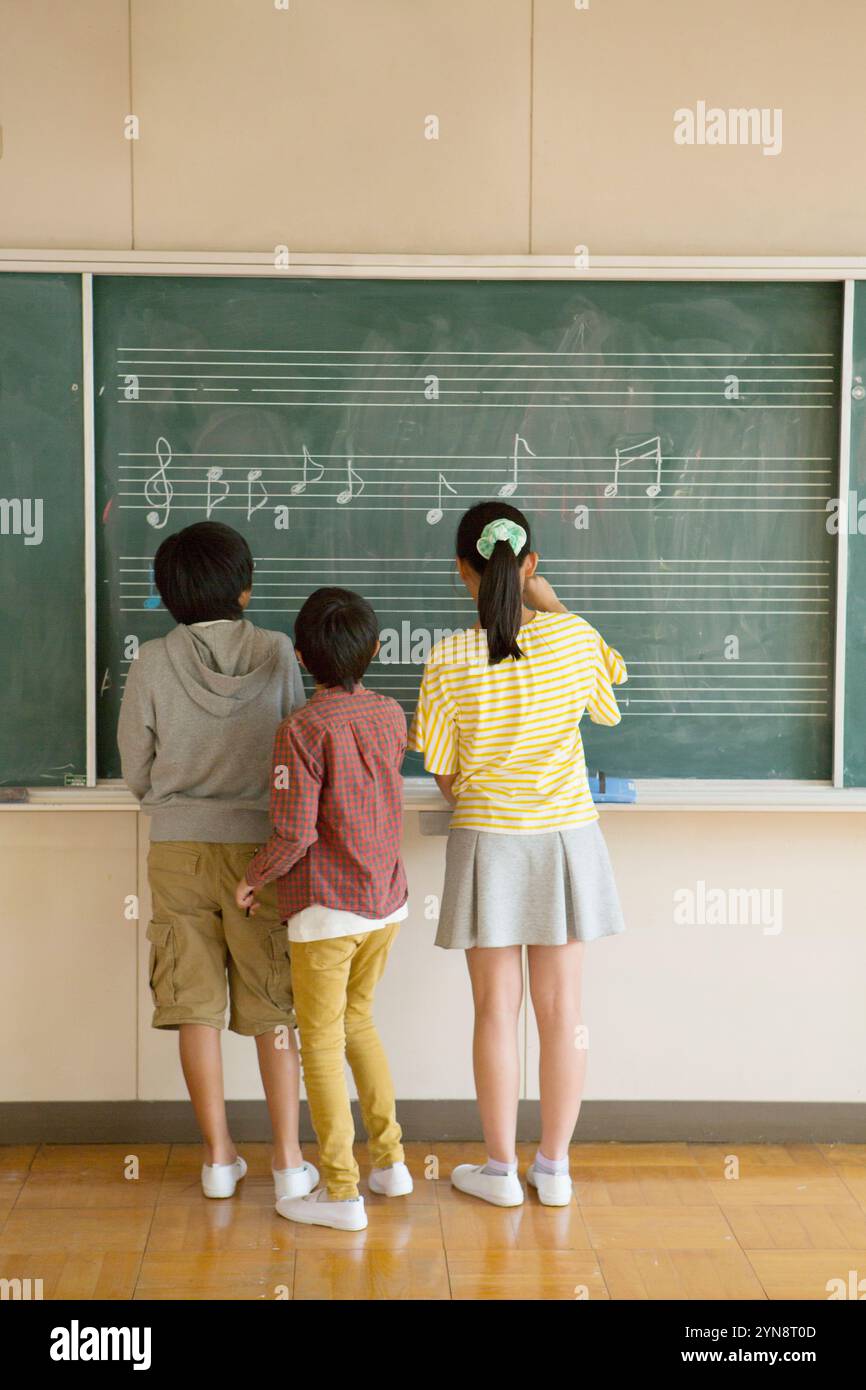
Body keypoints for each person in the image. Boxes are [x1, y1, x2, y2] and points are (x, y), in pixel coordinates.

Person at [409, 501, 626, 1207]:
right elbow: (610, 686)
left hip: (488, 843)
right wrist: (552, 602)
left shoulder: (446, 659)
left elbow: (442, 773)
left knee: (494, 1012)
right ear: (529, 565)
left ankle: (500, 1171)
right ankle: (555, 1169)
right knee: (564, 1012)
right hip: (566, 839)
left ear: (460, 573)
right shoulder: (570, 638)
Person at [118, 521, 316, 1202]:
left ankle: (219, 1159)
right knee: (273, 1003)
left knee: (193, 1003)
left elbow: (134, 765)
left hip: (179, 848)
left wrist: (175, 803)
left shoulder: (149, 661)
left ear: (168, 594)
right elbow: (299, 749)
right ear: (245, 587)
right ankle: (289, 1161)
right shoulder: (279, 651)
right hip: (265, 852)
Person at [236, 587, 410, 1232]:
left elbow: (295, 833)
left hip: (326, 912)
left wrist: (252, 881)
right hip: (384, 904)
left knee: (320, 1043)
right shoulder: (392, 714)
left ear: (303, 657)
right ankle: (390, 1164)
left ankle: (340, 1191)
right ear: (375, 650)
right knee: (360, 1023)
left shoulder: (302, 728)